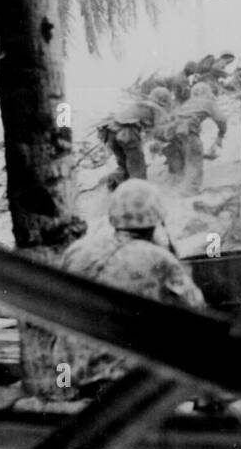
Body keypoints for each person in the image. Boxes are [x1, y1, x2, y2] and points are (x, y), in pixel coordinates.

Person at [45, 180, 205, 396]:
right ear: (156, 220)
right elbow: (196, 311)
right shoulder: (158, 258)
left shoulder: (78, 250)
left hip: (65, 373)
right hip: (117, 380)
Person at [167, 81, 227, 194]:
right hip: (188, 133)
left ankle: (177, 189)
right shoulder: (207, 102)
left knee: (185, 162)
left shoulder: (187, 103)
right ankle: (191, 193)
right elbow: (222, 119)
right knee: (195, 161)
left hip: (174, 134)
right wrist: (221, 134)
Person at [97, 96, 169, 188]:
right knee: (137, 168)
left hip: (110, 132)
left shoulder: (141, 104)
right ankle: (138, 193)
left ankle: (114, 183)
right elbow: (160, 130)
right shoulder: (156, 108)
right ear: (164, 100)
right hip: (126, 134)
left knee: (125, 166)